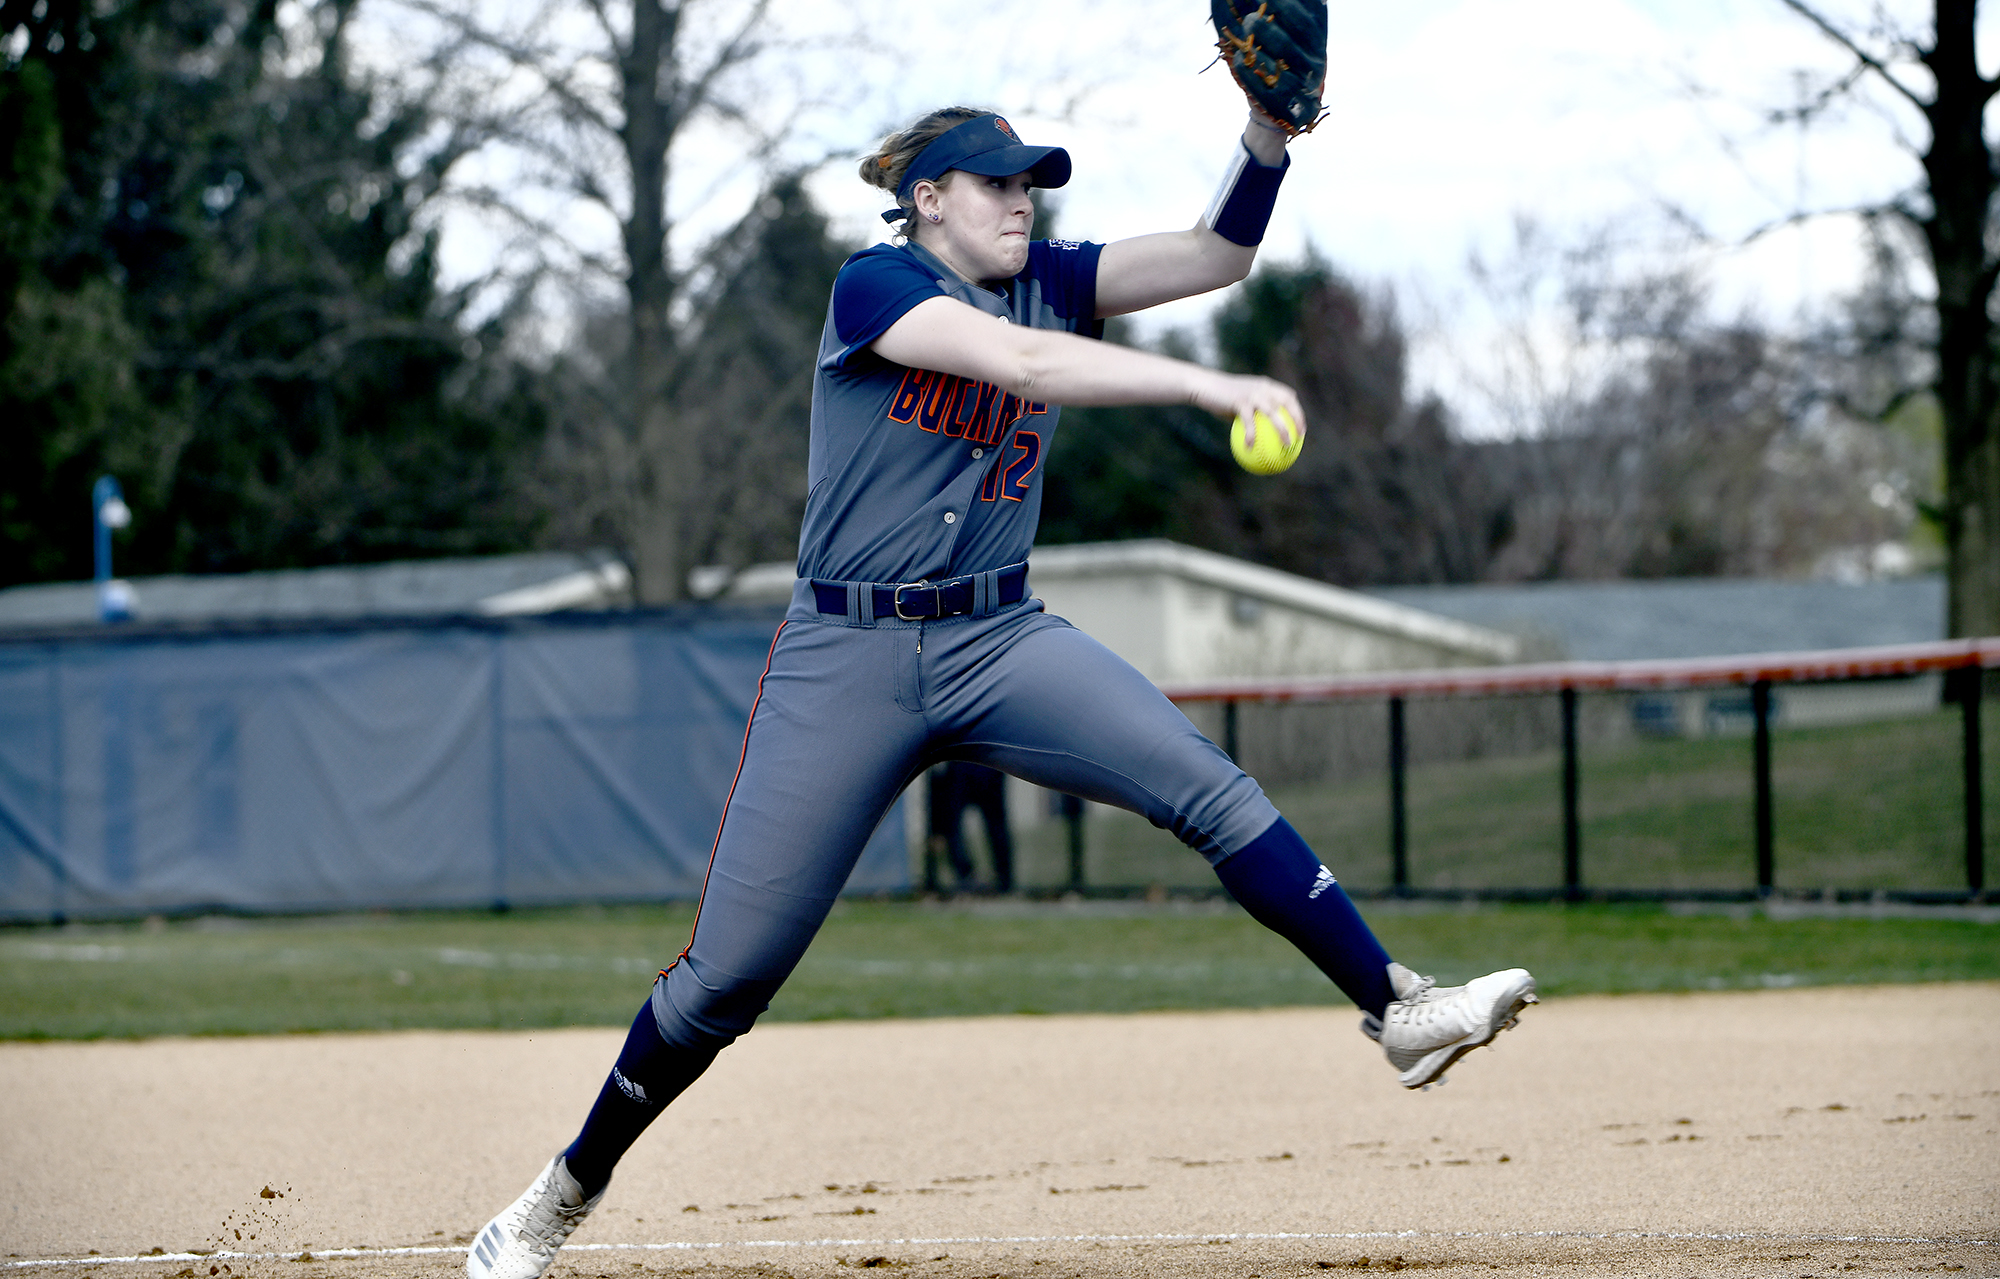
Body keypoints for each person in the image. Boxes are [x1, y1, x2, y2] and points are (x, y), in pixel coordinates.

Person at [465, 103, 1537, 1279]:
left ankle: (1398, 1008)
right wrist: (1202, 390)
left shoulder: (1051, 278)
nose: (1021, 201)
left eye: (1030, 183)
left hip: (997, 634)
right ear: (928, 199)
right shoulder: (873, 287)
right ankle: (558, 1197)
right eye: (993, 185)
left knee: (1204, 784)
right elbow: (1019, 363)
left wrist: (1264, 136)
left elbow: (1214, 256)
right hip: (848, 655)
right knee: (728, 976)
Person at [926, 760, 1014, 892]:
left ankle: (994, 877)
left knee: (958, 822)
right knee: (954, 822)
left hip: (976, 763)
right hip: (979, 762)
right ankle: (980, 876)